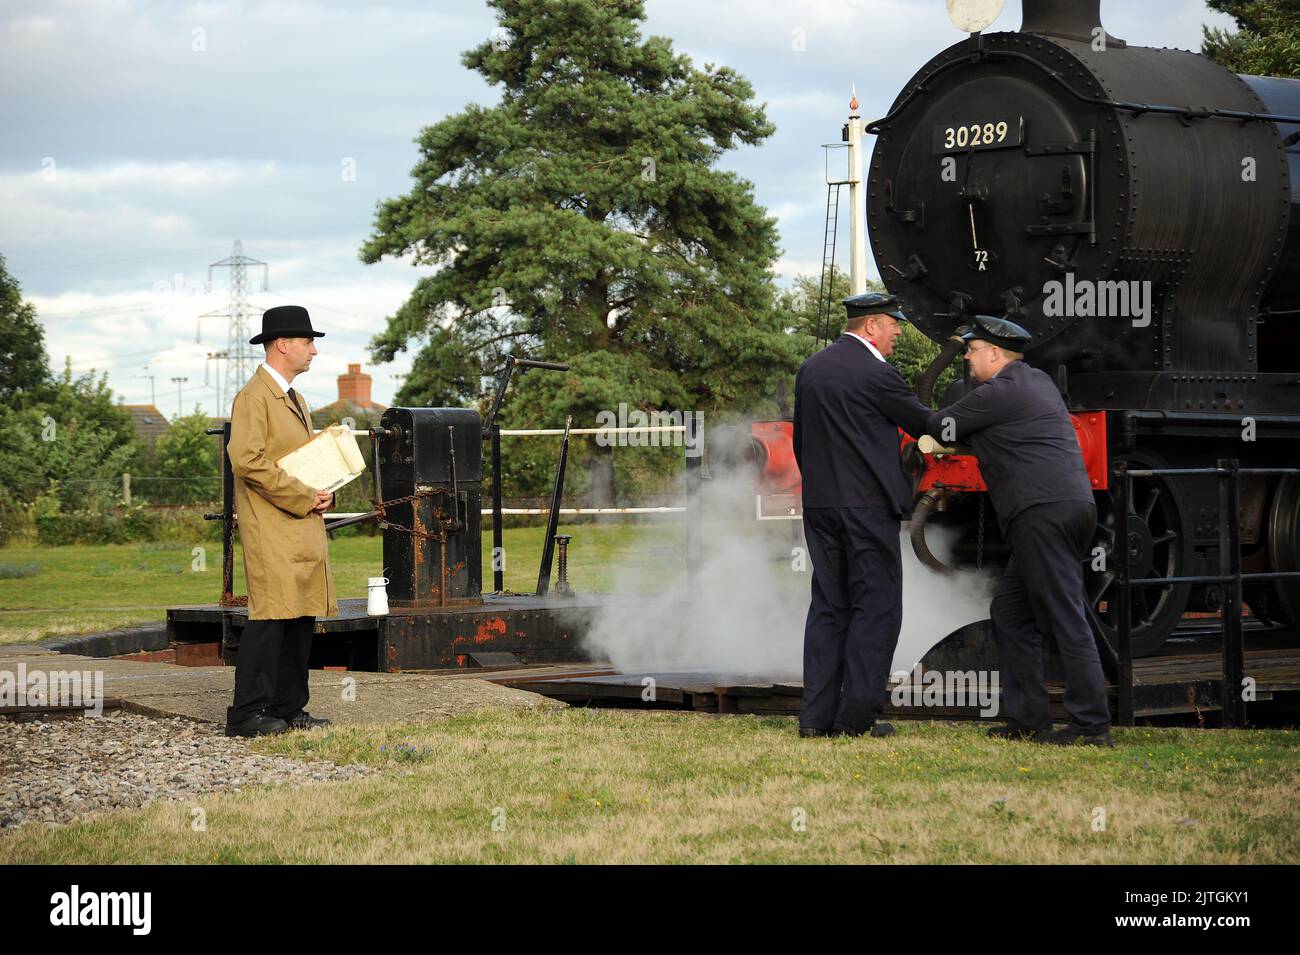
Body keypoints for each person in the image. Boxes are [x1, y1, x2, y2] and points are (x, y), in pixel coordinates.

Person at [923, 316, 1112, 746]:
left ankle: (1091, 727)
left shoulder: (1001, 391)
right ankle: (1029, 719)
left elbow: (938, 425)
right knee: (1010, 613)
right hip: (1066, 508)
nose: (967, 358)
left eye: (972, 351)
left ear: (995, 353)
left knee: (1065, 616)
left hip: (1041, 513)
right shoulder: (1037, 382)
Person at [793, 292, 934, 739]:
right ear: (872, 325)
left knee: (829, 607)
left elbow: (800, 441)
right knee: (875, 606)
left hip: (820, 504)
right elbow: (925, 423)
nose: (897, 332)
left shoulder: (810, 369)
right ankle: (856, 718)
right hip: (867, 507)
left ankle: (815, 718)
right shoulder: (878, 374)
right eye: (894, 323)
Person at [224, 305, 338, 737]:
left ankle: (290, 708)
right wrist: (303, 496)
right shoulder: (253, 398)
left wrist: (323, 488)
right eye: (308, 342)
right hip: (272, 526)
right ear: (283, 345)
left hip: (300, 522)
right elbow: (247, 461)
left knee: (300, 617)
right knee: (271, 618)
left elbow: (297, 461)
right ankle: (247, 713)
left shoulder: (294, 397)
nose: (314, 351)